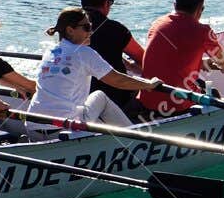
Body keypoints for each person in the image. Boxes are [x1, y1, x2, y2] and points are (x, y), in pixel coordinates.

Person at [26, 8, 162, 129]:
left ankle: (105, 137)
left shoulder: (50, 51)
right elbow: (117, 80)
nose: (91, 31)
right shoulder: (84, 52)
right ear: (70, 30)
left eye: (90, 26)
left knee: (86, 108)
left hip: (31, 126)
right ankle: (135, 138)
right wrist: (147, 84)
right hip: (63, 128)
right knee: (99, 96)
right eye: (86, 27)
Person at [137, 0, 224, 120]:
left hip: (147, 100)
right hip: (178, 104)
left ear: (175, 5)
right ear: (200, 10)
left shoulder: (157, 24)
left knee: (201, 86)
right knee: (213, 93)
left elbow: (174, 59)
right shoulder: (203, 31)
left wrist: (205, 63)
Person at [81, 0, 145, 116]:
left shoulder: (72, 28)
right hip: (115, 97)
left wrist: (126, 63)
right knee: (143, 88)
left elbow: (99, 51)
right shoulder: (116, 29)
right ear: (106, 3)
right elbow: (144, 58)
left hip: (78, 96)